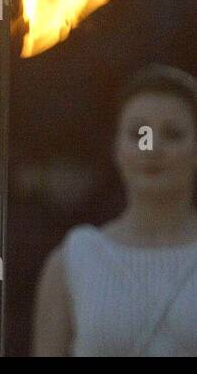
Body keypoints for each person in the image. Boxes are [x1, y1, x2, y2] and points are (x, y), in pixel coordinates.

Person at [32, 65, 197, 356]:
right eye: (137, 134)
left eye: (172, 134)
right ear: (117, 148)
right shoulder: (74, 259)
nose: (152, 148)